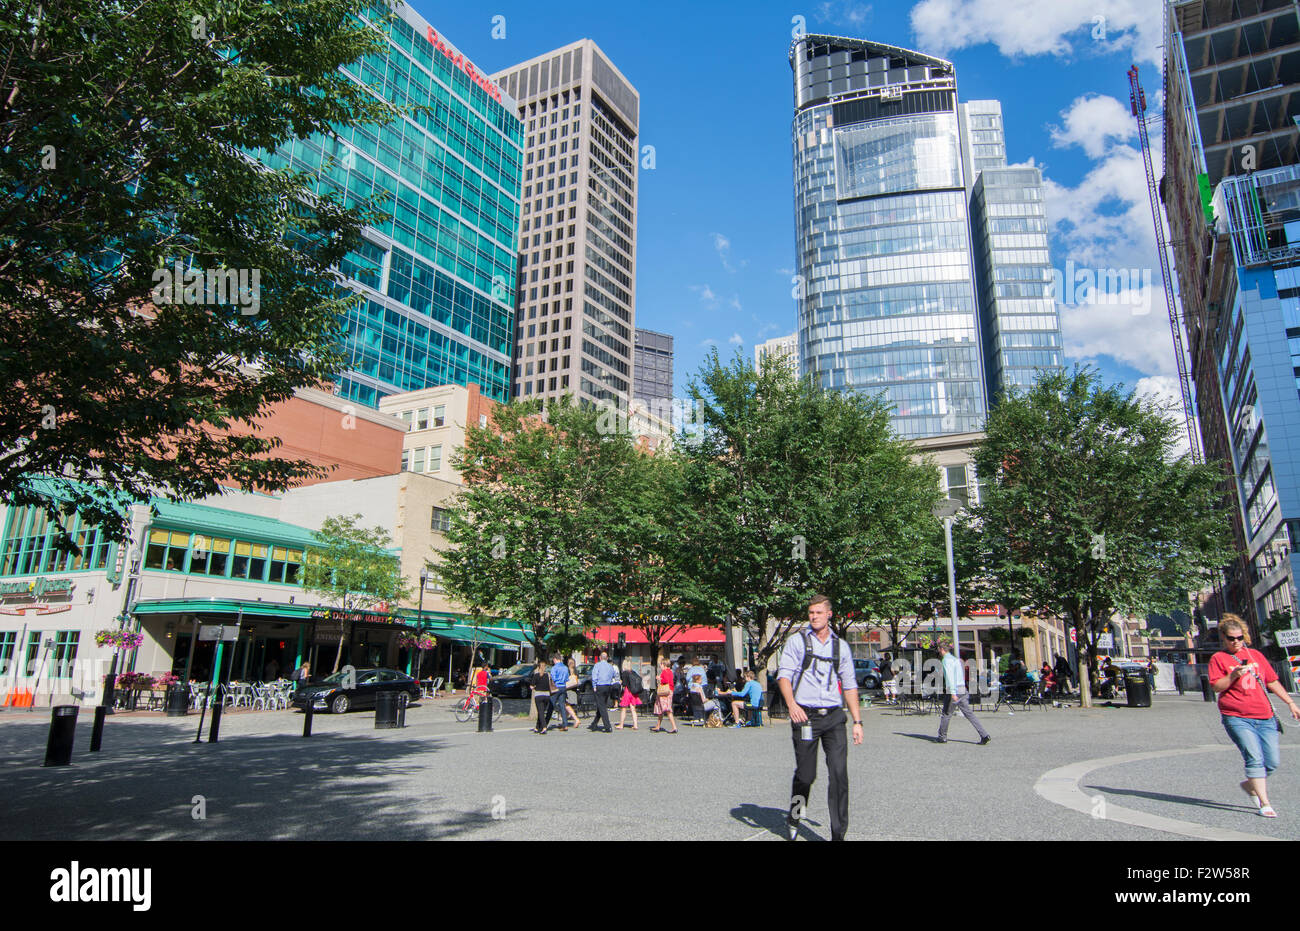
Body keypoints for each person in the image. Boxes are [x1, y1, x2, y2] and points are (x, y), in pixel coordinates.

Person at [776, 594, 862, 842]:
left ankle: (838, 835)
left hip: (834, 717)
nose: (813, 616)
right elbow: (784, 676)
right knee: (806, 775)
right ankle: (795, 814)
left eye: (818, 612)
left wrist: (857, 722)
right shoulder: (797, 642)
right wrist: (791, 704)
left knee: (838, 774)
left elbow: (850, 685)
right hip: (806, 717)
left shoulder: (840, 646)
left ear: (829, 614)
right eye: (810, 612)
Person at [1210, 614, 1300, 818]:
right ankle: (1264, 802)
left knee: (1272, 762)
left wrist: (1291, 703)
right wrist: (1233, 675)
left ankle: (1250, 785)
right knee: (1254, 757)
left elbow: (1272, 681)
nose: (1236, 642)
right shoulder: (1219, 658)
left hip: (1265, 716)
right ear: (1223, 638)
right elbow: (1216, 686)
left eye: (1239, 638)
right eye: (1231, 638)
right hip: (1237, 716)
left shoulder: (1256, 656)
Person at [936, 638, 991, 745]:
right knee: (969, 714)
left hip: (954, 689)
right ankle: (984, 735)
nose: (938, 651)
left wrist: (953, 693)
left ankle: (942, 736)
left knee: (946, 714)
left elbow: (950, 678)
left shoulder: (946, 660)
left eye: (939, 649)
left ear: (942, 649)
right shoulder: (955, 659)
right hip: (962, 688)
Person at [589, 652, 617, 733]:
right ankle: (594, 724)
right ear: (607, 658)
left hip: (599, 686)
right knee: (601, 705)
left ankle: (607, 726)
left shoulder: (597, 665)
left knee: (602, 707)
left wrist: (594, 686)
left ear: (600, 658)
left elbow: (594, 676)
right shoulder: (610, 666)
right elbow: (613, 675)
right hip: (608, 686)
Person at [650, 656, 678, 733]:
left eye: (661, 665)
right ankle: (658, 726)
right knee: (661, 710)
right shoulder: (670, 671)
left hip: (665, 692)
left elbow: (666, 680)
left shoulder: (665, 672)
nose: (660, 666)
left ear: (664, 665)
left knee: (666, 709)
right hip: (670, 691)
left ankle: (674, 727)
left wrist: (659, 678)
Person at [530, 660, 558, 734]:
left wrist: (535, 687)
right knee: (541, 711)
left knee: (540, 712)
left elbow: (531, 686)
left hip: (538, 695)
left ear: (538, 667)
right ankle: (537, 727)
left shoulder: (536, 675)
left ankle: (544, 727)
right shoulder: (548, 675)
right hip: (546, 695)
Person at [549, 654, 573, 730]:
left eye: (553, 660)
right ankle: (565, 724)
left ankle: (544, 723)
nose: (553, 662)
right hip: (563, 687)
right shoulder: (565, 668)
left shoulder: (554, 668)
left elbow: (553, 677)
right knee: (562, 705)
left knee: (551, 705)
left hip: (556, 687)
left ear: (555, 659)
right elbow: (567, 678)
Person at [616, 663, 642, 730]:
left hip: (627, 691)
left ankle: (621, 724)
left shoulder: (625, 673)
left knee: (623, 708)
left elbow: (624, 684)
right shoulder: (633, 672)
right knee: (633, 709)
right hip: (633, 692)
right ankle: (635, 725)